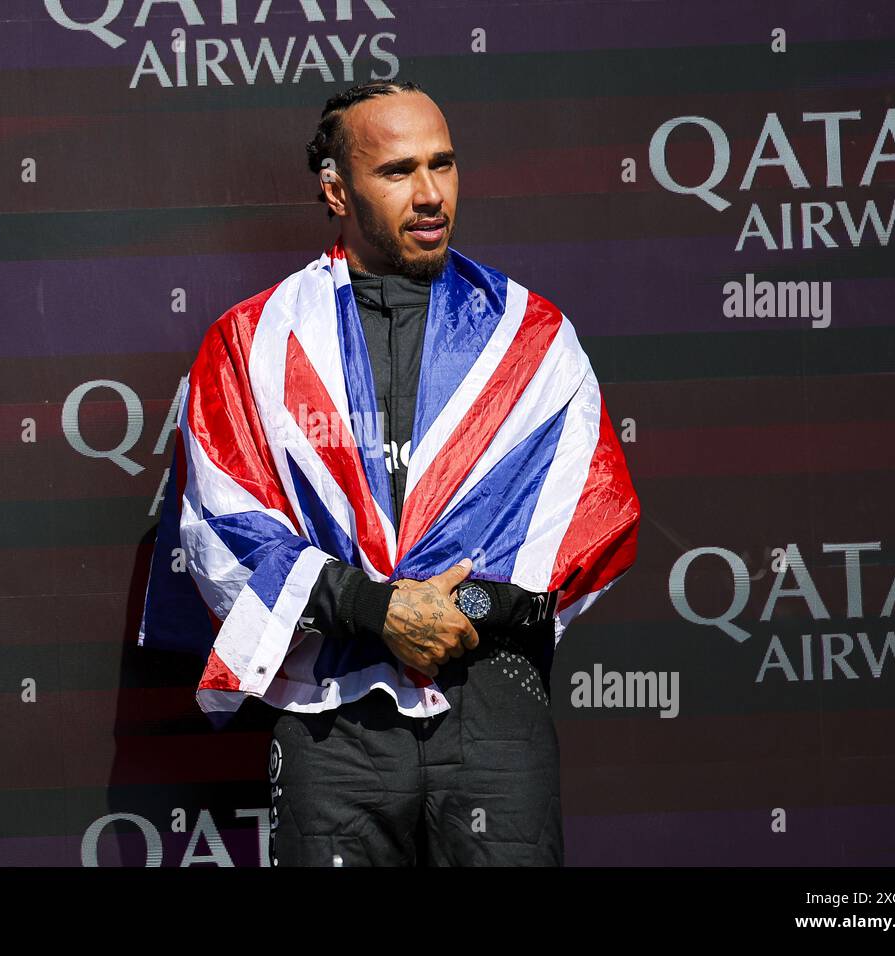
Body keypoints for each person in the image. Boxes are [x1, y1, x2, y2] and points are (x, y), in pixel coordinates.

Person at [138, 80, 641, 867]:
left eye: (443, 164)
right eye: (399, 171)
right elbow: (226, 527)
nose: (431, 193)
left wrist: (454, 605)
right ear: (337, 191)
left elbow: (586, 526)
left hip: (491, 706)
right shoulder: (251, 343)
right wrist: (375, 607)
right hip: (330, 723)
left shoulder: (534, 338)